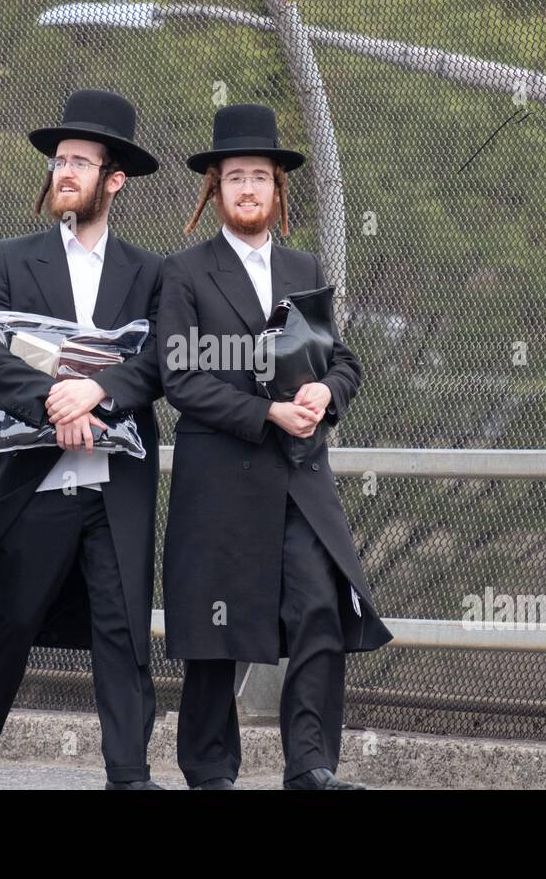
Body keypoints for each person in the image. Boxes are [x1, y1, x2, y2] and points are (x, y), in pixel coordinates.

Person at [159, 104, 393, 790]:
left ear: (277, 190)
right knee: (215, 627)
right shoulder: (186, 273)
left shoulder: (302, 266)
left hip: (298, 479)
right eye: (235, 177)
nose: (249, 189)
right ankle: (209, 771)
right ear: (215, 190)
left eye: (260, 177)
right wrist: (268, 413)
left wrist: (326, 397)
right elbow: (180, 378)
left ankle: (311, 766)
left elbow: (341, 359)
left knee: (321, 606)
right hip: (221, 478)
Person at [0, 89, 164, 790]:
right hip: (31, 479)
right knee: (8, 624)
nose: (63, 172)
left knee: (124, 633)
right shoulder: (13, 257)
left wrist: (97, 391)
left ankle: (129, 774)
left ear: (114, 178)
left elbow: (160, 360)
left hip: (114, 484)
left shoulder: (150, 272)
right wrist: (52, 403)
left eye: (79, 162)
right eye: (59, 160)